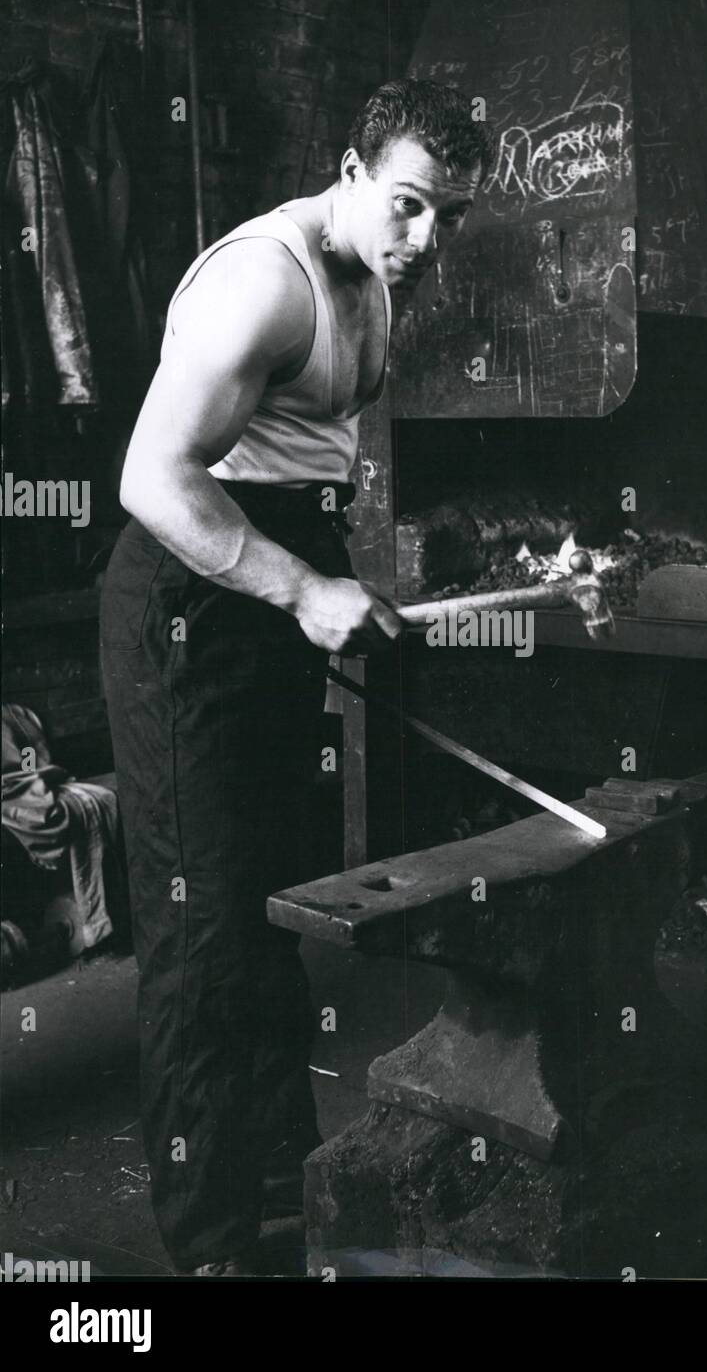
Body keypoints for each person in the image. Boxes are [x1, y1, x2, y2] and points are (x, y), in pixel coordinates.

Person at [100, 79, 492, 1276]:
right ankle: (212, 1246)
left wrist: (335, 590)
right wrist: (304, 590)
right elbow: (155, 481)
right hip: (181, 614)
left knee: (265, 912)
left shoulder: (375, 276)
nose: (428, 243)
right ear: (354, 169)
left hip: (259, 606)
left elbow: (293, 465)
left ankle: (287, 1207)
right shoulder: (262, 281)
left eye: (450, 218)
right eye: (413, 207)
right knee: (199, 933)